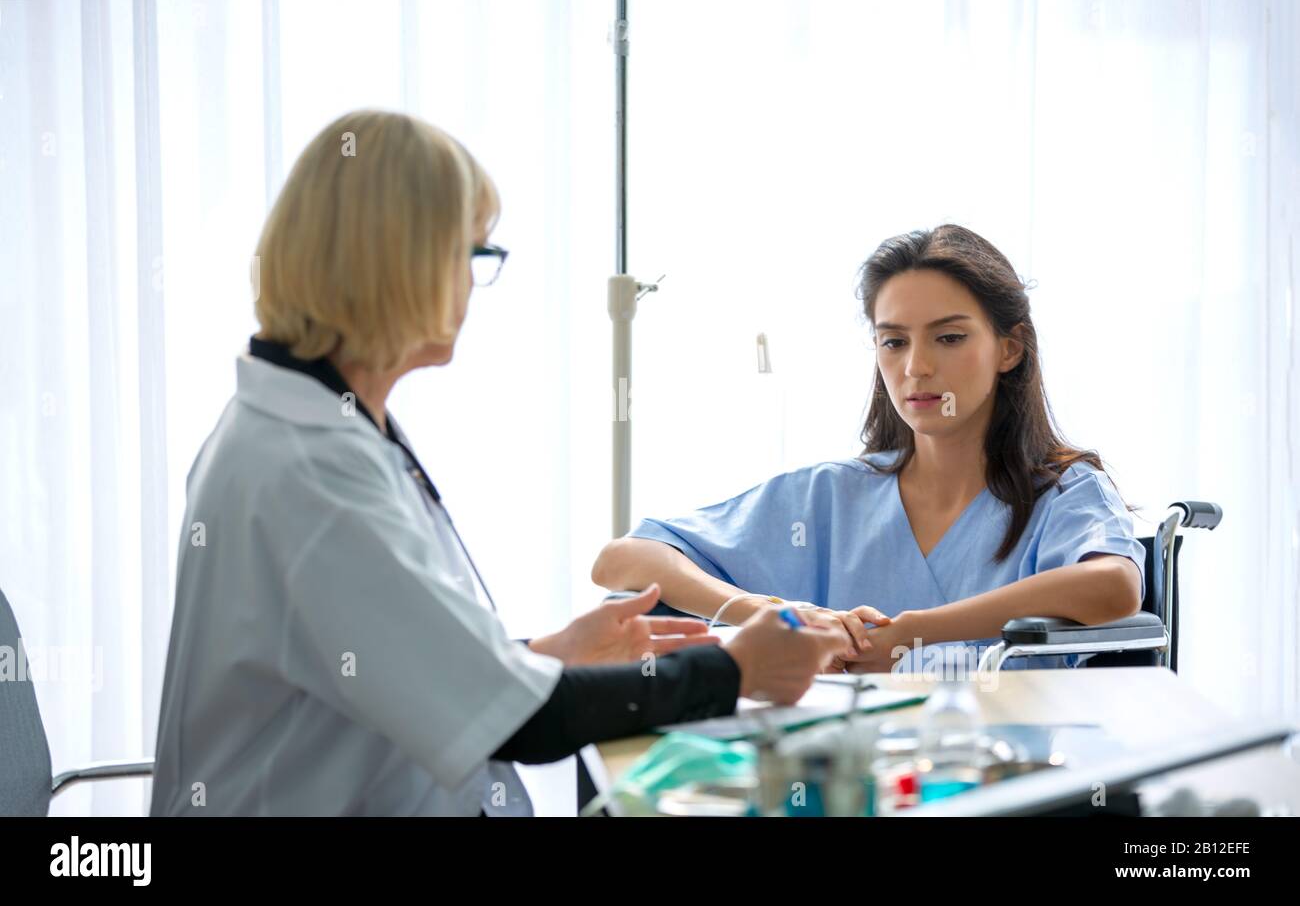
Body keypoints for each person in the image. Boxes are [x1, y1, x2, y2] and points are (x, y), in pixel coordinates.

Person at [149, 109, 843, 817]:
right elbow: (527, 723)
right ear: (401, 262)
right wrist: (734, 668)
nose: (471, 289)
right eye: (471, 256)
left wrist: (545, 653)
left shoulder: (319, 422)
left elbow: (379, 648)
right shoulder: (307, 466)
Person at [591, 224, 1145, 674]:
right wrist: (763, 609)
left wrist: (908, 635)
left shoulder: (1063, 492)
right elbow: (621, 560)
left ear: (1009, 348)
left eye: (949, 338)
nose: (916, 367)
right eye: (894, 341)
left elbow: (1113, 586)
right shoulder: (828, 496)